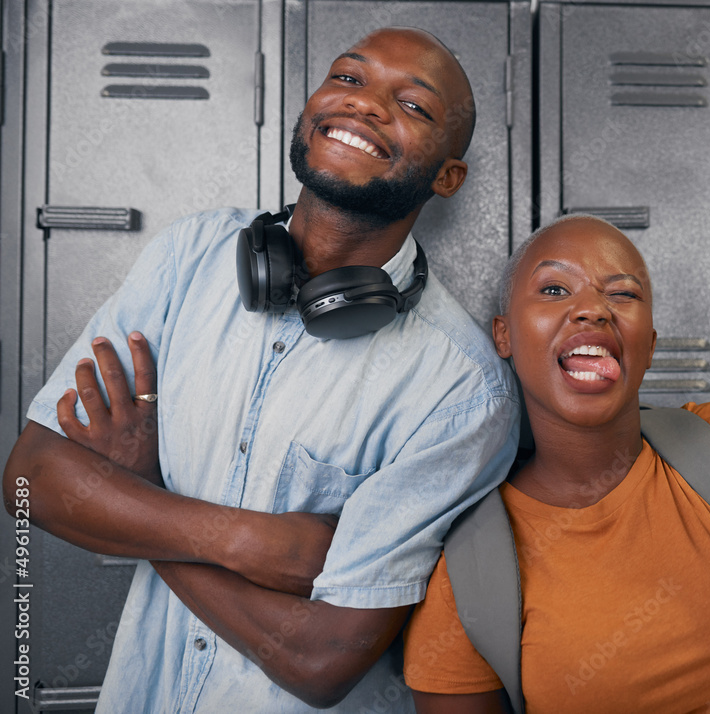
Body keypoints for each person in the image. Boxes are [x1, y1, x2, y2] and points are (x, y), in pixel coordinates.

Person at [2, 27, 519, 713]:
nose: (364, 105)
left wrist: (136, 491)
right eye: (348, 77)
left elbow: (321, 659)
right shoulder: (188, 256)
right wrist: (247, 540)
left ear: (448, 175)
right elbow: (30, 477)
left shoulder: (463, 392)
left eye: (414, 106)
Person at [400, 213, 710, 712]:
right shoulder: (471, 567)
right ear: (504, 336)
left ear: (648, 345)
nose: (592, 310)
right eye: (555, 290)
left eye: (622, 294)